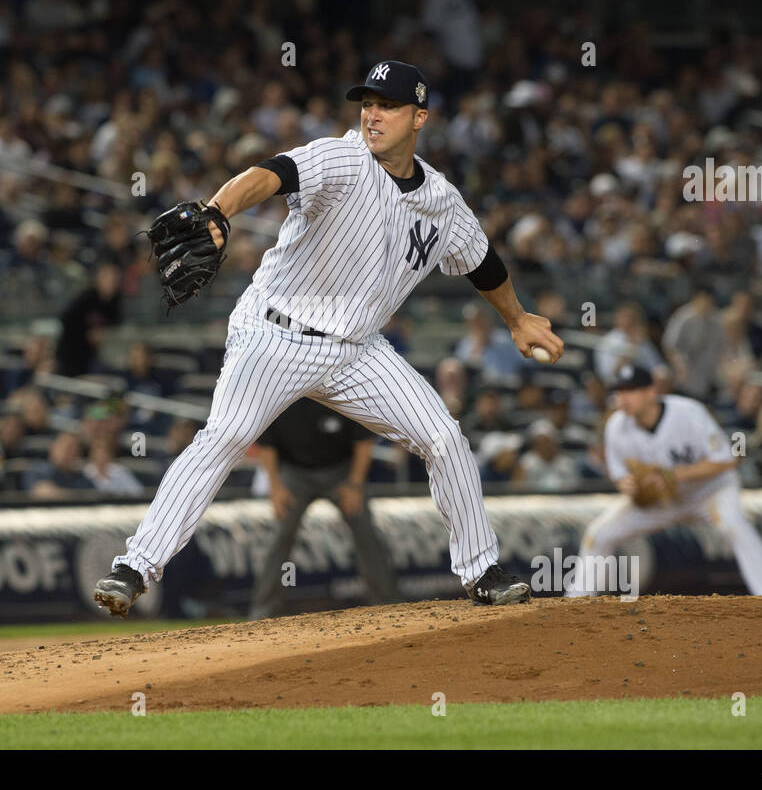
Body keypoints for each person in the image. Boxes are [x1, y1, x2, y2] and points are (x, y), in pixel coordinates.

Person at [94, 60, 564, 616]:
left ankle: (481, 570)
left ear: (419, 118)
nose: (372, 114)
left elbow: (483, 263)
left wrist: (515, 318)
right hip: (274, 333)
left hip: (357, 351)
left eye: (386, 105)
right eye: (367, 103)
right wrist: (219, 210)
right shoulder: (341, 157)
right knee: (223, 437)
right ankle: (134, 566)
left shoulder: (442, 201)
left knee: (444, 438)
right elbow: (271, 174)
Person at [566, 364, 762, 597]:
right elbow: (619, 474)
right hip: (661, 499)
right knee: (599, 533)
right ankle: (576, 601)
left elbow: (726, 460)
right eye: (619, 391)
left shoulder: (688, 412)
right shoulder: (616, 426)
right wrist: (627, 485)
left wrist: (673, 475)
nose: (623, 398)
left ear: (651, 392)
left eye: (631, 391)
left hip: (709, 492)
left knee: (735, 527)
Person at [249, 398, 400, 620]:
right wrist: (275, 487)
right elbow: (267, 445)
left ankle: (388, 605)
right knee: (280, 535)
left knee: (366, 530)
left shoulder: (339, 394)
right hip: (295, 473)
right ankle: (262, 612)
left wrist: (355, 484)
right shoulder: (281, 397)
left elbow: (363, 441)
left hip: (341, 472)